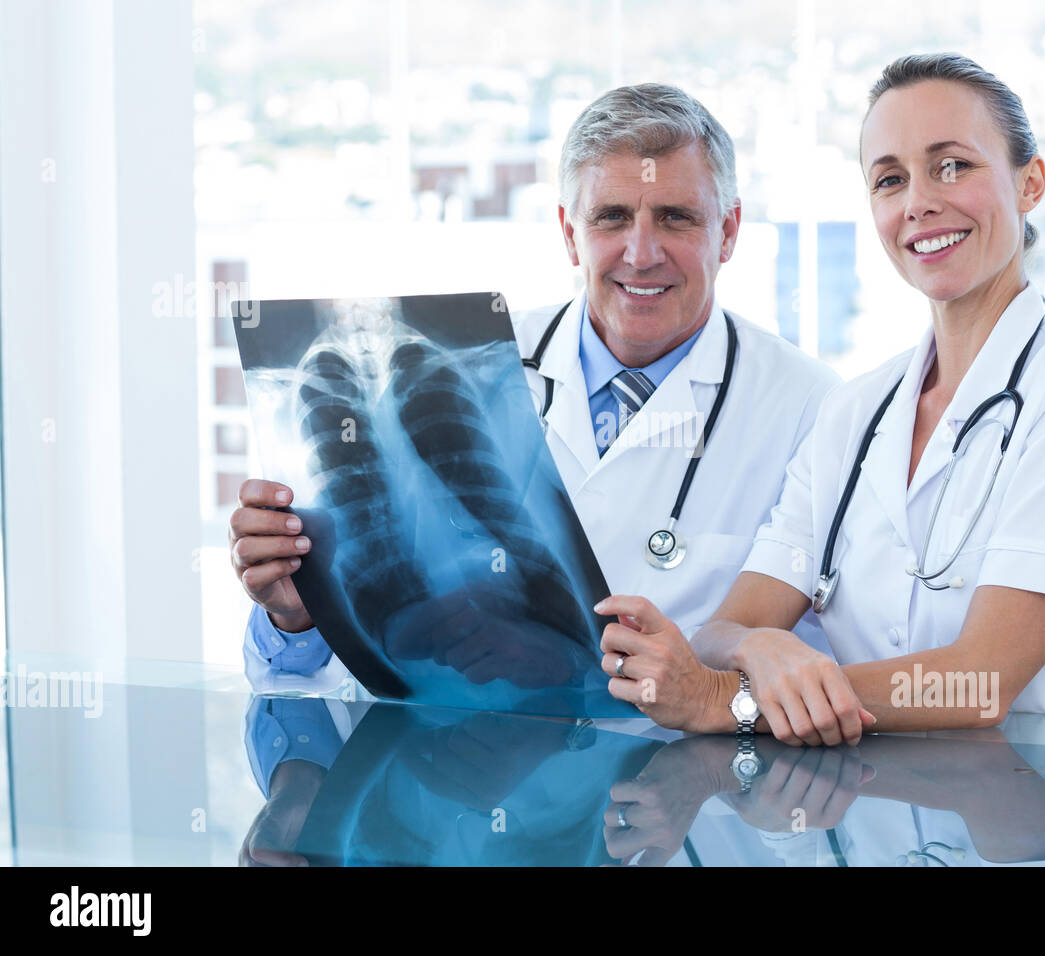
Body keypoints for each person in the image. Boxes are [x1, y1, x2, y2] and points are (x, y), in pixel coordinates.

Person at [596, 53, 1045, 745]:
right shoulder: (854, 412)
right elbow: (727, 626)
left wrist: (728, 701)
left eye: (952, 165)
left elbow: (981, 681)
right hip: (877, 818)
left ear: (1031, 182)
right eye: (890, 179)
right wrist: (763, 649)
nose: (919, 201)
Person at [230, 84, 849, 725]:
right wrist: (294, 613)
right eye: (611, 217)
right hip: (452, 776)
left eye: (675, 217)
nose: (641, 253)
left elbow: (811, 672)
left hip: (682, 799)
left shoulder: (812, 408)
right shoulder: (483, 362)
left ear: (728, 231)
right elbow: (311, 686)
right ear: (568, 233)